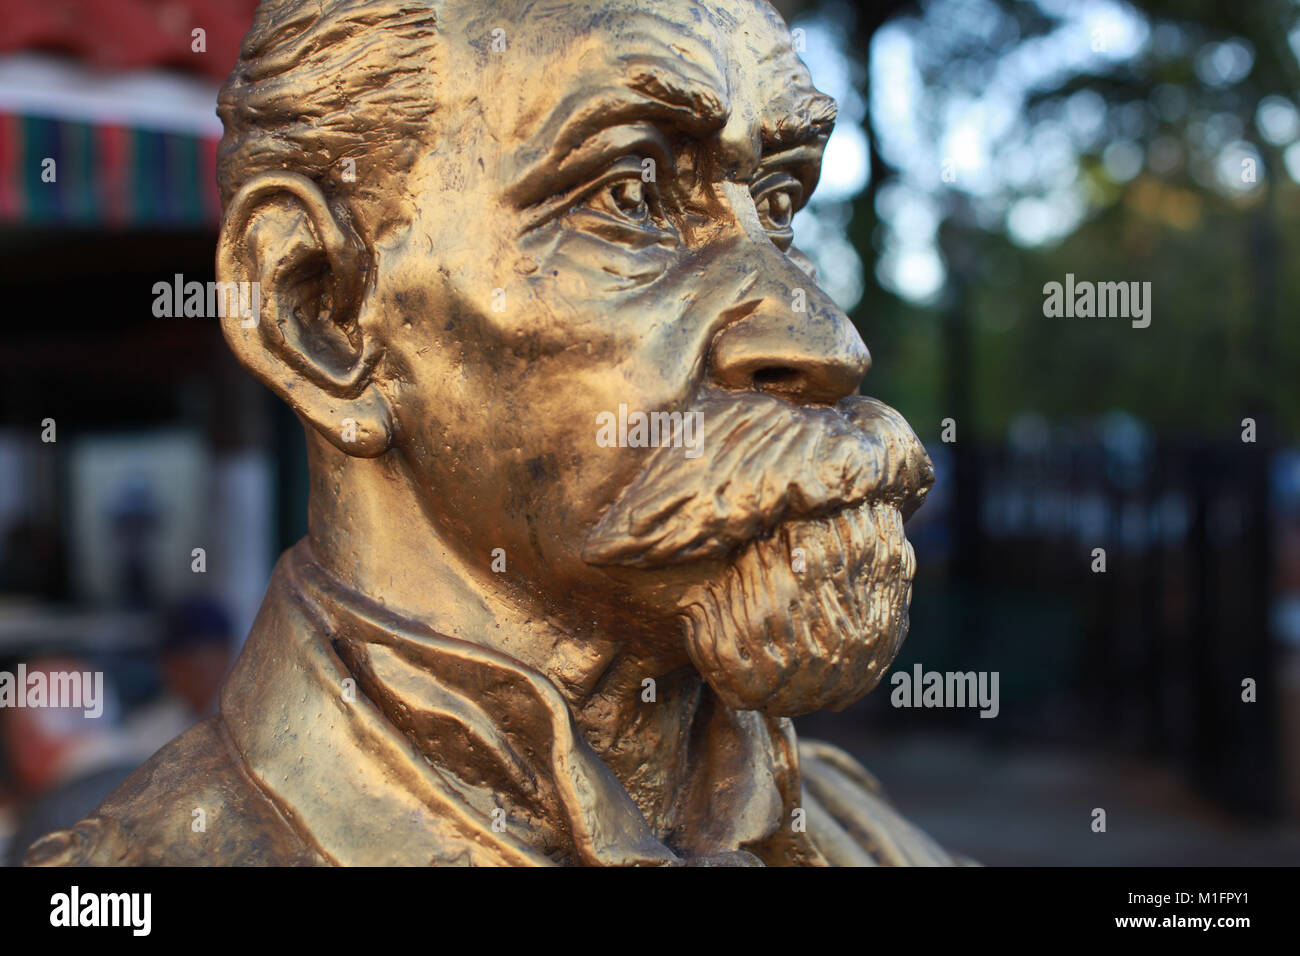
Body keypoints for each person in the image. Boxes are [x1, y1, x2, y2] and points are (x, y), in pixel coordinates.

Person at [26, 0, 955, 866]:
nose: (825, 338)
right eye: (629, 198)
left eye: (781, 206)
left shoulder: (874, 841)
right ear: (318, 311)